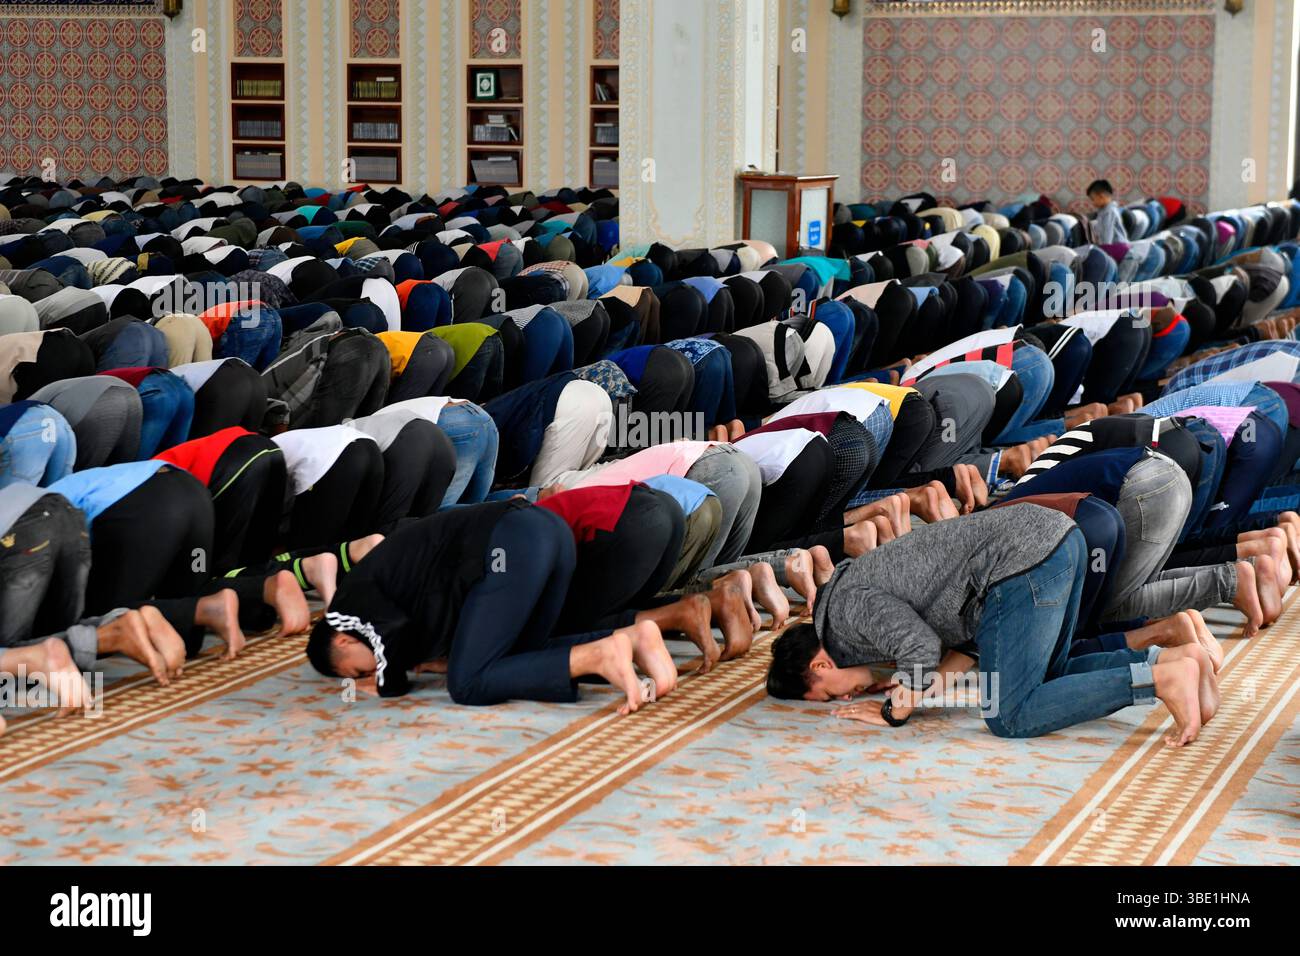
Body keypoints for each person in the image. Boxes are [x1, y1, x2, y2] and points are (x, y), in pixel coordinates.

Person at [765, 506, 1215, 745]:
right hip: (1057, 541)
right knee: (1044, 680)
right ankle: (1175, 660)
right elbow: (965, 639)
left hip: (1023, 563)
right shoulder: (851, 605)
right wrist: (921, 688)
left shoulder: (845, 611)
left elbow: (920, 648)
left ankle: (1159, 679)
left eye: (829, 693)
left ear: (821, 665)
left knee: (1009, 714)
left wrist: (894, 711)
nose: (845, 698)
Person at [306, 500, 675, 712]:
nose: (364, 676)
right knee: (521, 656)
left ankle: (602, 655)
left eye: (357, 672)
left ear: (342, 640)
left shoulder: (345, 607)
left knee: (467, 684)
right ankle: (633, 639)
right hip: (543, 534)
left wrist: (386, 684)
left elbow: (391, 629)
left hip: (509, 545)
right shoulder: (381, 591)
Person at [1087, 179, 1128, 245]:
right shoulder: (1103, 211)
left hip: (1117, 247)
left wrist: (1104, 250)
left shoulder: (1109, 212)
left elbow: (1107, 235)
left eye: (1093, 199)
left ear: (1101, 196)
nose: (1092, 203)